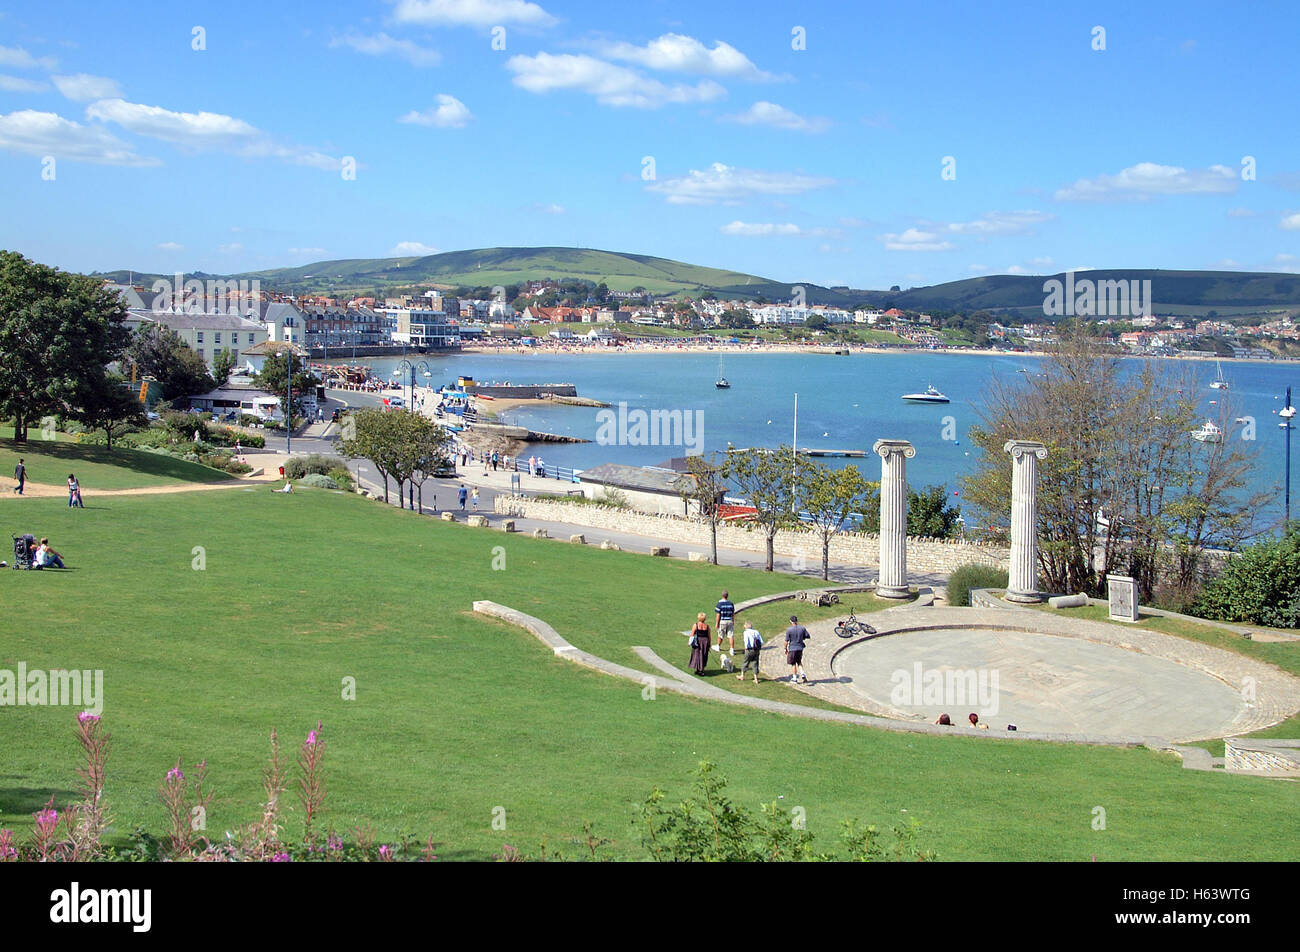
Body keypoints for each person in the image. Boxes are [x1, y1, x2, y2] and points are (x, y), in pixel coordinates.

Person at [784, 614, 810, 684]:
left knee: (793, 663)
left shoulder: (789, 630)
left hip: (792, 648)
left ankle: (794, 678)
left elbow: (786, 641)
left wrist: (785, 649)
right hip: (800, 648)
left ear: (791, 621)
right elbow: (807, 636)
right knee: (799, 661)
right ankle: (803, 674)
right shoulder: (802, 628)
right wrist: (802, 637)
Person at [714, 590, 736, 655]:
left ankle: (718, 646)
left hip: (723, 621)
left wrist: (717, 623)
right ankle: (732, 649)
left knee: (720, 634)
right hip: (730, 620)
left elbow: (718, 615)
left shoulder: (719, 604)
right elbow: (733, 613)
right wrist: (733, 621)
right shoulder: (731, 603)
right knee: (730, 635)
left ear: (722, 595)